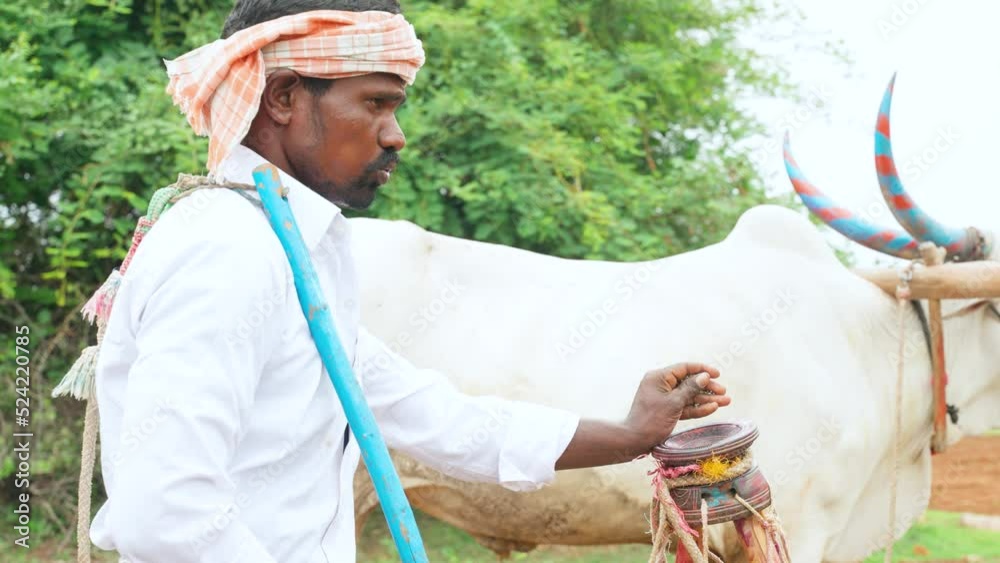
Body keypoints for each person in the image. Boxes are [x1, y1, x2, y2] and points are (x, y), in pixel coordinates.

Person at [85, 1, 732, 561]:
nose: (396, 135)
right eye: (375, 104)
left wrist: (629, 433)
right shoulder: (228, 249)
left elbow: (434, 414)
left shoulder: (293, 247)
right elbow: (165, 509)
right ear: (283, 98)